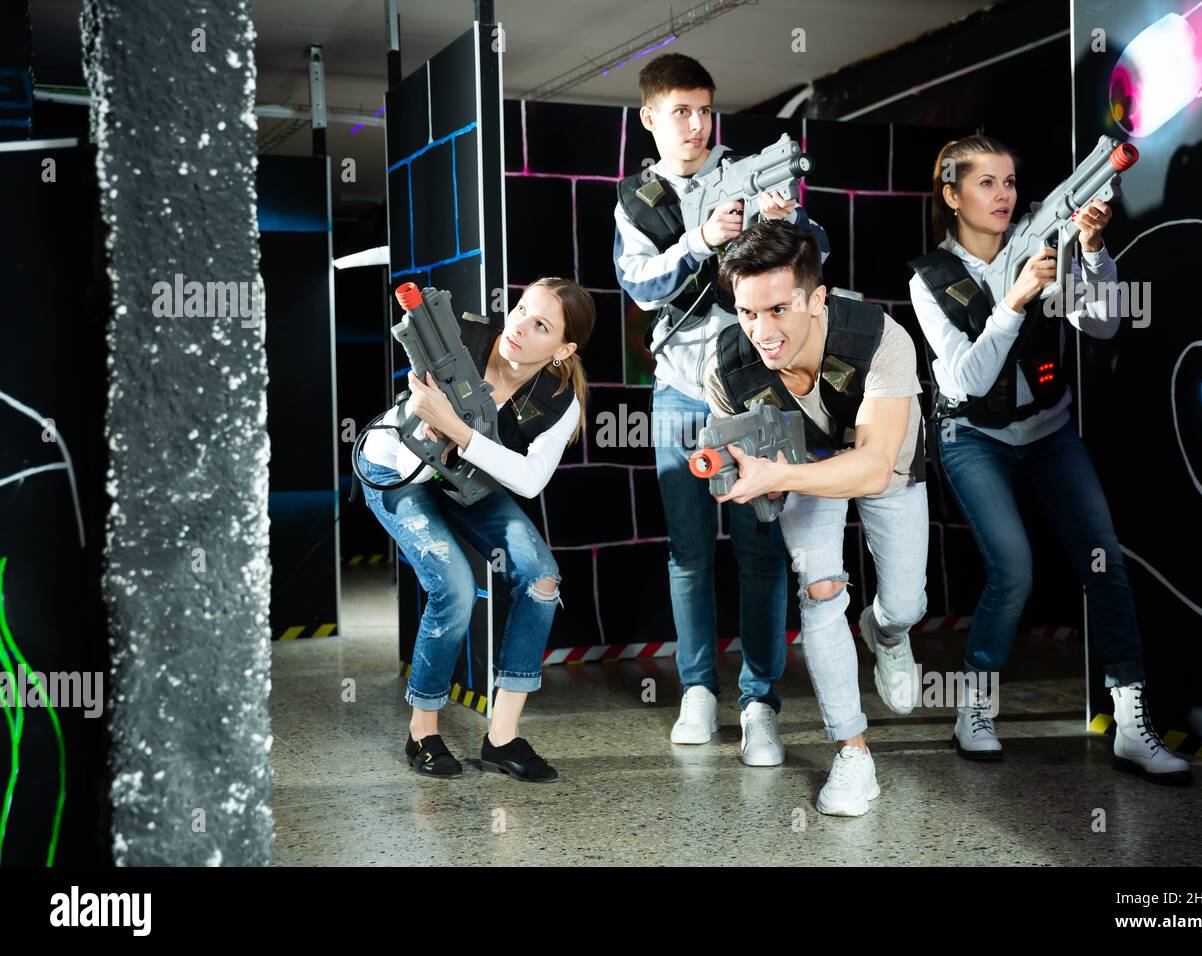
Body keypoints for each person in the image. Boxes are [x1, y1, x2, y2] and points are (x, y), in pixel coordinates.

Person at [907, 135, 1189, 783]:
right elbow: (967, 381)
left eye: (1010, 181)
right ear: (951, 196)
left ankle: (1131, 726)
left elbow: (1105, 323)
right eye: (986, 183)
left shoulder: (1040, 242)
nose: (1003, 194)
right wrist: (1014, 300)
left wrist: (1090, 252)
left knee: (1105, 561)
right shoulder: (931, 279)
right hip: (971, 435)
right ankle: (973, 708)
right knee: (1013, 570)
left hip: (1048, 429)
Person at [613, 53, 830, 765]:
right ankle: (698, 690)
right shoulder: (637, 199)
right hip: (678, 389)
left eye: (705, 109)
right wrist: (700, 239)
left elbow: (813, 264)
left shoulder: (751, 170)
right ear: (650, 117)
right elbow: (640, 287)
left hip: (756, 390)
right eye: (681, 111)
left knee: (763, 549)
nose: (698, 124)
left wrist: (781, 225)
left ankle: (760, 703)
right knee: (689, 551)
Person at [703, 219, 929, 816]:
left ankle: (889, 634)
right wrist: (736, 474)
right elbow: (732, 450)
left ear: (817, 298)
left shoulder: (882, 338)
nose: (762, 331)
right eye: (747, 313)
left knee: (906, 602)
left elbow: (875, 467)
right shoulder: (726, 366)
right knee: (820, 592)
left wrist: (778, 477)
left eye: (778, 309)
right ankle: (853, 753)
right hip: (800, 462)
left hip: (883, 455)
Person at [354, 277, 595, 784]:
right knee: (456, 587)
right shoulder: (461, 336)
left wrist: (461, 433)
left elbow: (529, 480)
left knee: (541, 580)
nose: (520, 328)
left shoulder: (558, 398)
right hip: (399, 468)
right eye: (523, 310)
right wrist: (435, 421)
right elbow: (414, 425)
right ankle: (422, 732)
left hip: (468, 484)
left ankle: (502, 739)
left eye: (541, 325)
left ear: (563, 348)